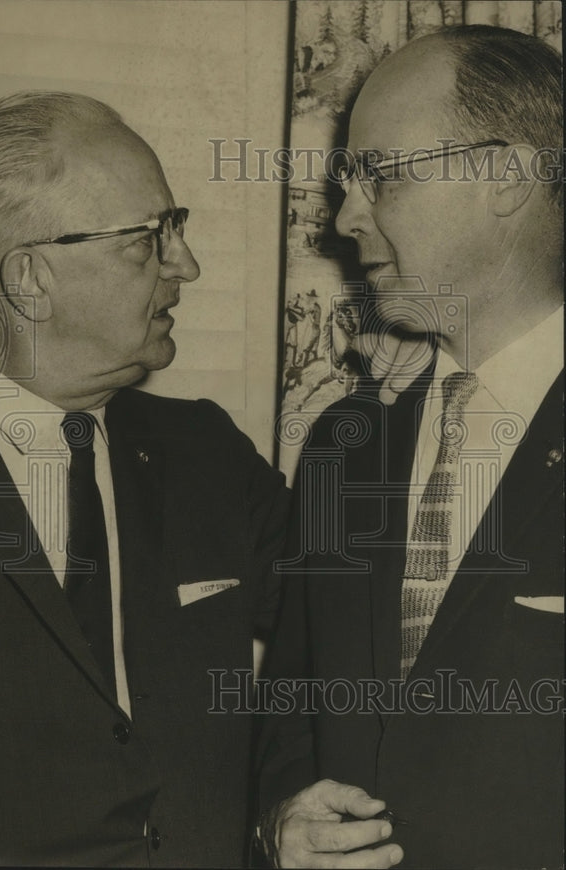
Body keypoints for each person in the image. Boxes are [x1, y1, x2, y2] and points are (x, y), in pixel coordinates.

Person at [0, 90, 429, 868]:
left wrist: (424, 402)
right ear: (30, 278)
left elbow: (347, 617)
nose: (188, 265)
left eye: (175, 230)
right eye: (147, 240)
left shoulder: (204, 453)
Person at [257, 25, 563, 870]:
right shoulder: (342, 447)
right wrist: (280, 822)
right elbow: (288, 710)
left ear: (506, 178)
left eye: (380, 178)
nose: (346, 218)